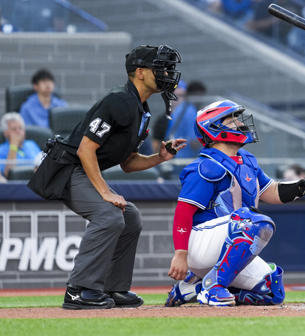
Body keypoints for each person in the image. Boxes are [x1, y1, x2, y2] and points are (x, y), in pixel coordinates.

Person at [27, 45, 185, 309]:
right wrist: (105, 192)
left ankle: (114, 288)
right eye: (161, 68)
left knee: (129, 216)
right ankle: (79, 290)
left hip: (81, 168)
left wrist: (159, 158)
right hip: (65, 168)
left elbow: (128, 163)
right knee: (109, 215)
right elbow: (85, 148)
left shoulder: (140, 108)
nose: (168, 73)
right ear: (140, 72)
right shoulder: (119, 100)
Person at [164, 100, 305, 307]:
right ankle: (212, 287)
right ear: (215, 126)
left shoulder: (246, 160)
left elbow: (273, 193)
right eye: (231, 119)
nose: (239, 123)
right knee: (255, 222)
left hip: (229, 241)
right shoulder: (206, 166)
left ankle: (193, 287)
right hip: (199, 245)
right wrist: (180, 254)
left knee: (271, 291)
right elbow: (183, 212)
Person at [152, 80, 208, 160]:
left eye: (181, 96)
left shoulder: (181, 111)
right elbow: (194, 143)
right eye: (175, 96)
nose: (177, 100)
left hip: (177, 158)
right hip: (186, 159)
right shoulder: (190, 112)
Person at [0, 112, 42, 179]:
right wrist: (13, 145)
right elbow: (8, 174)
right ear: (6, 133)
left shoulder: (32, 144)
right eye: (14, 129)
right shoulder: (1, 150)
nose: (18, 131)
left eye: (20, 128)